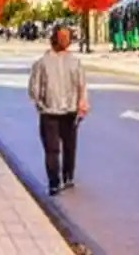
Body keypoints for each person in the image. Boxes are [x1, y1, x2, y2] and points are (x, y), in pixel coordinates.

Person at [27, 26, 89, 196]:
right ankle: (53, 182)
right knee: (52, 149)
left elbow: (81, 85)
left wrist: (82, 104)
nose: (64, 40)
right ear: (54, 38)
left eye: (67, 37)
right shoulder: (42, 63)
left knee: (70, 147)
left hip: (70, 112)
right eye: (61, 37)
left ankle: (68, 176)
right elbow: (34, 88)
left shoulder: (75, 62)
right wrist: (41, 104)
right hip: (50, 113)